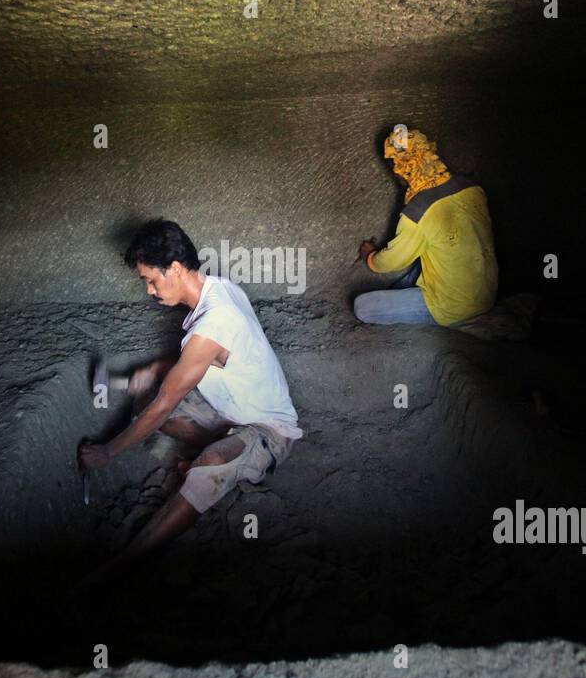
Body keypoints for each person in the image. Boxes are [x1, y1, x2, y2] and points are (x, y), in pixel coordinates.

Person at [77, 219, 302, 587]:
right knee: (150, 401)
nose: (149, 290)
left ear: (176, 268)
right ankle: (217, 453)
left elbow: (167, 402)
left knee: (205, 459)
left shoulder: (216, 320)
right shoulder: (219, 290)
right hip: (230, 411)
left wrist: (106, 452)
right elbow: (205, 357)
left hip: (269, 431)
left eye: (151, 280)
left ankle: (121, 567)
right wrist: (155, 370)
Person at [354, 127, 499, 326]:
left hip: (454, 306)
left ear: (402, 168)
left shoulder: (418, 212)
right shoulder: (472, 188)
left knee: (362, 307)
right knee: (429, 252)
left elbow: (388, 263)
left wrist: (370, 256)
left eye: (393, 166)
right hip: (487, 295)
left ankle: (441, 315)